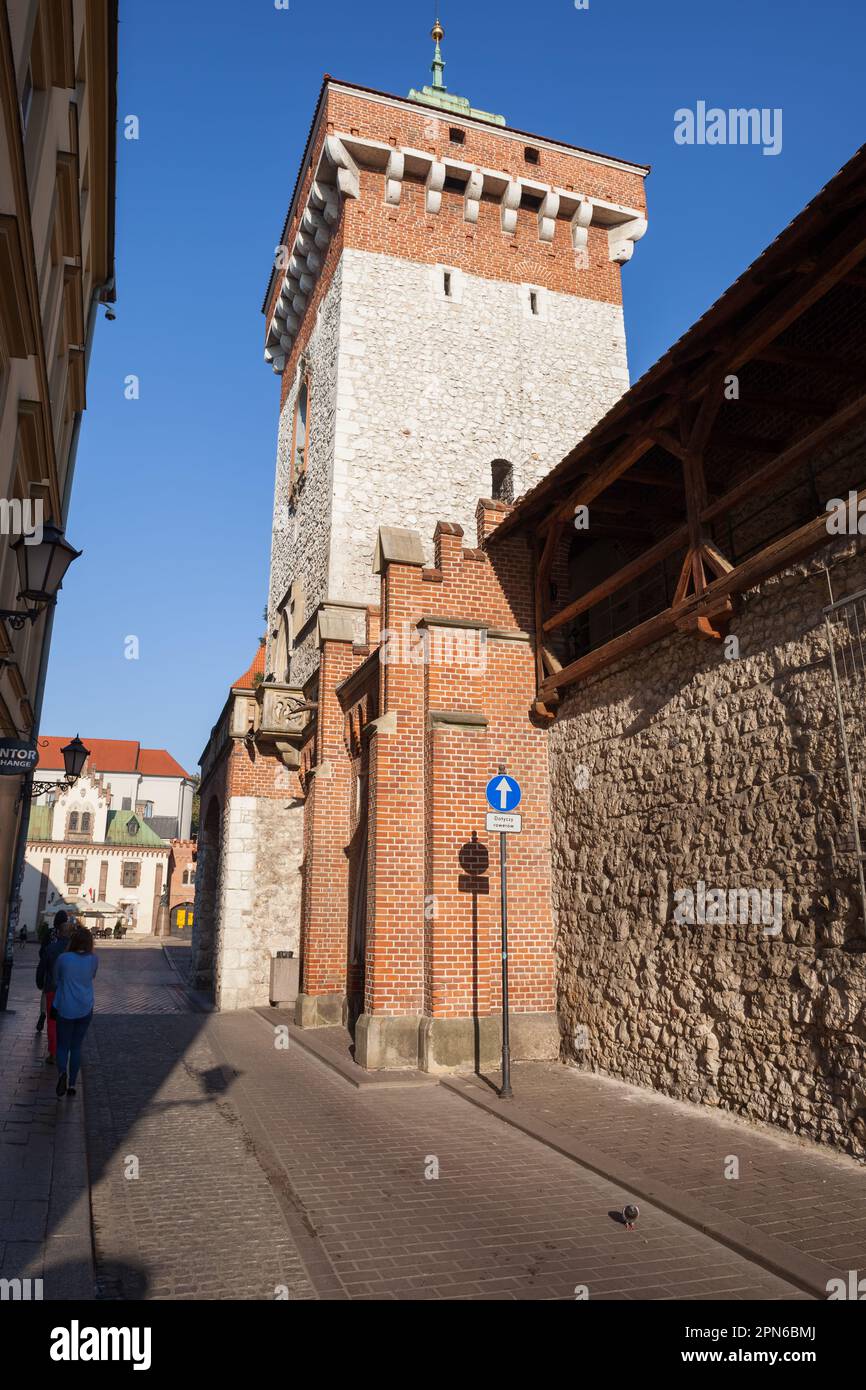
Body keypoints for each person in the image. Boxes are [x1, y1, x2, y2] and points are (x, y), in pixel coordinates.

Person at [54, 924, 98, 1099]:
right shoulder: (94, 959)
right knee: (76, 1046)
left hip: (65, 1006)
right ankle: (72, 1084)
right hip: (85, 1006)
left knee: (63, 1045)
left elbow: (56, 979)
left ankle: (61, 1073)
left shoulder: (63, 958)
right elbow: (92, 976)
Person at [37, 911, 70, 1061]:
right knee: (64, 1020)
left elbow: (42, 954)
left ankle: (52, 1052)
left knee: (52, 1018)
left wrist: (40, 979)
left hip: (51, 984)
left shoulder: (50, 937)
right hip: (68, 989)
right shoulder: (72, 947)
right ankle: (63, 1049)